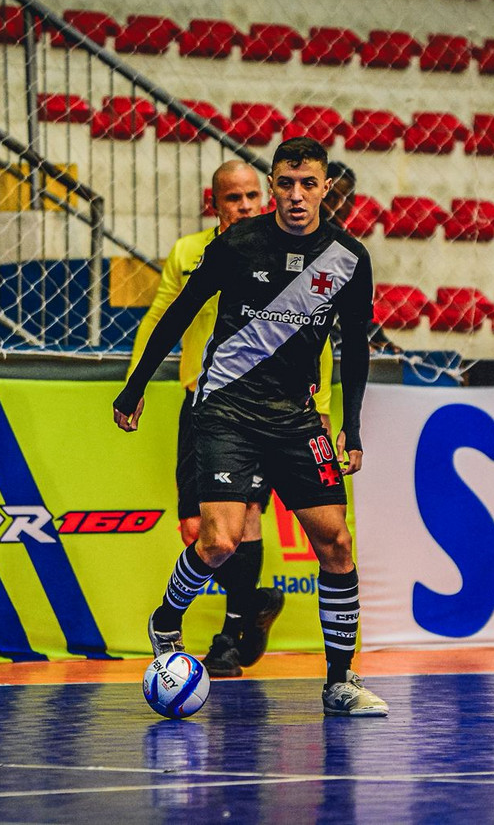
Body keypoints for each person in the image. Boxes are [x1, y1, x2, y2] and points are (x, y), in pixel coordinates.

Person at [114, 137, 388, 717]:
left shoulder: (349, 257)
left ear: (324, 190)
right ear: (273, 186)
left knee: (336, 544)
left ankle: (340, 680)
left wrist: (353, 426)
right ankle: (167, 619)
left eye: (307, 184)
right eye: (284, 184)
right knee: (218, 540)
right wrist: (136, 385)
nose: (295, 196)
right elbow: (180, 312)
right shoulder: (238, 243)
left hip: (297, 416)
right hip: (226, 408)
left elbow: (356, 349)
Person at [128, 159, 334, 679]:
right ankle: (253, 608)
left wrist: (325, 407)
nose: (244, 207)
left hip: (266, 407)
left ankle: (229, 631)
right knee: (198, 529)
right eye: (232, 200)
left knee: (243, 523)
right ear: (213, 204)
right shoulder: (190, 253)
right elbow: (161, 315)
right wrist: (135, 383)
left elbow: (319, 337)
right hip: (205, 402)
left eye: (250, 198)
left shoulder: (285, 253)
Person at [322, 160, 402, 356]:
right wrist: (344, 342)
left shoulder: (349, 249)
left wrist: (379, 339)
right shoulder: (304, 241)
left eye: (346, 198)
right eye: (332, 197)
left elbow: (356, 308)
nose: (339, 206)